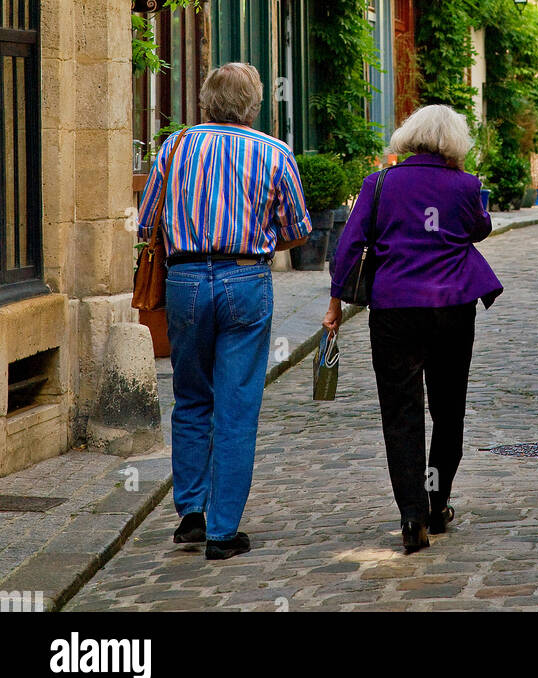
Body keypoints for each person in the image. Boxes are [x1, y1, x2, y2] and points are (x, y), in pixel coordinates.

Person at [136, 62, 311, 560]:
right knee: (237, 405)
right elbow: (298, 230)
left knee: (191, 397)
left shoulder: (173, 148)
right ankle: (222, 530)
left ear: (205, 101)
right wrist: (254, 235)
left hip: (185, 280)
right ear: (253, 105)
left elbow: (148, 221)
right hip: (244, 278)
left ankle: (191, 513)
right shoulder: (273, 152)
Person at [324, 104, 502, 554]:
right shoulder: (465, 186)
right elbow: (480, 228)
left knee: (401, 413)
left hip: (394, 311)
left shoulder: (379, 184)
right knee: (447, 410)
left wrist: (334, 303)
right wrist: (460, 181)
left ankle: (412, 515)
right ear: (454, 143)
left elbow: (348, 249)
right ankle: (437, 501)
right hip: (451, 309)